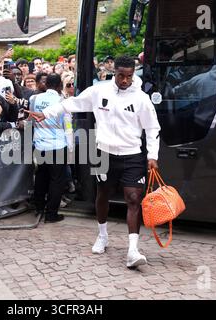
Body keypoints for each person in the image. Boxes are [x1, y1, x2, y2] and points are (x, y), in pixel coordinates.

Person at [26, 56, 161, 268]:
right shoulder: (100, 91)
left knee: (133, 198)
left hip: (132, 155)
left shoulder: (141, 98)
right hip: (104, 153)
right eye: (121, 76)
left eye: (129, 76)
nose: (125, 80)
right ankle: (102, 235)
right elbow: (73, 102)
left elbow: (152, 128)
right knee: (103, 194)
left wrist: (152, 155)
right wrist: (46, 113)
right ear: (113, 73)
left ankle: (132, 250)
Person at [29, 73, 68, 223]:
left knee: (41, 176)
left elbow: (32, 119)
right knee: (56, 180)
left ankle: (39, 208)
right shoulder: (62, 101)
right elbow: (68, 126)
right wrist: (70, 147)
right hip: (57, 145)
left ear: (46, 84)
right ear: (59, 86)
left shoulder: (35, 99)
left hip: (40, 144)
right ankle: (51, 214)